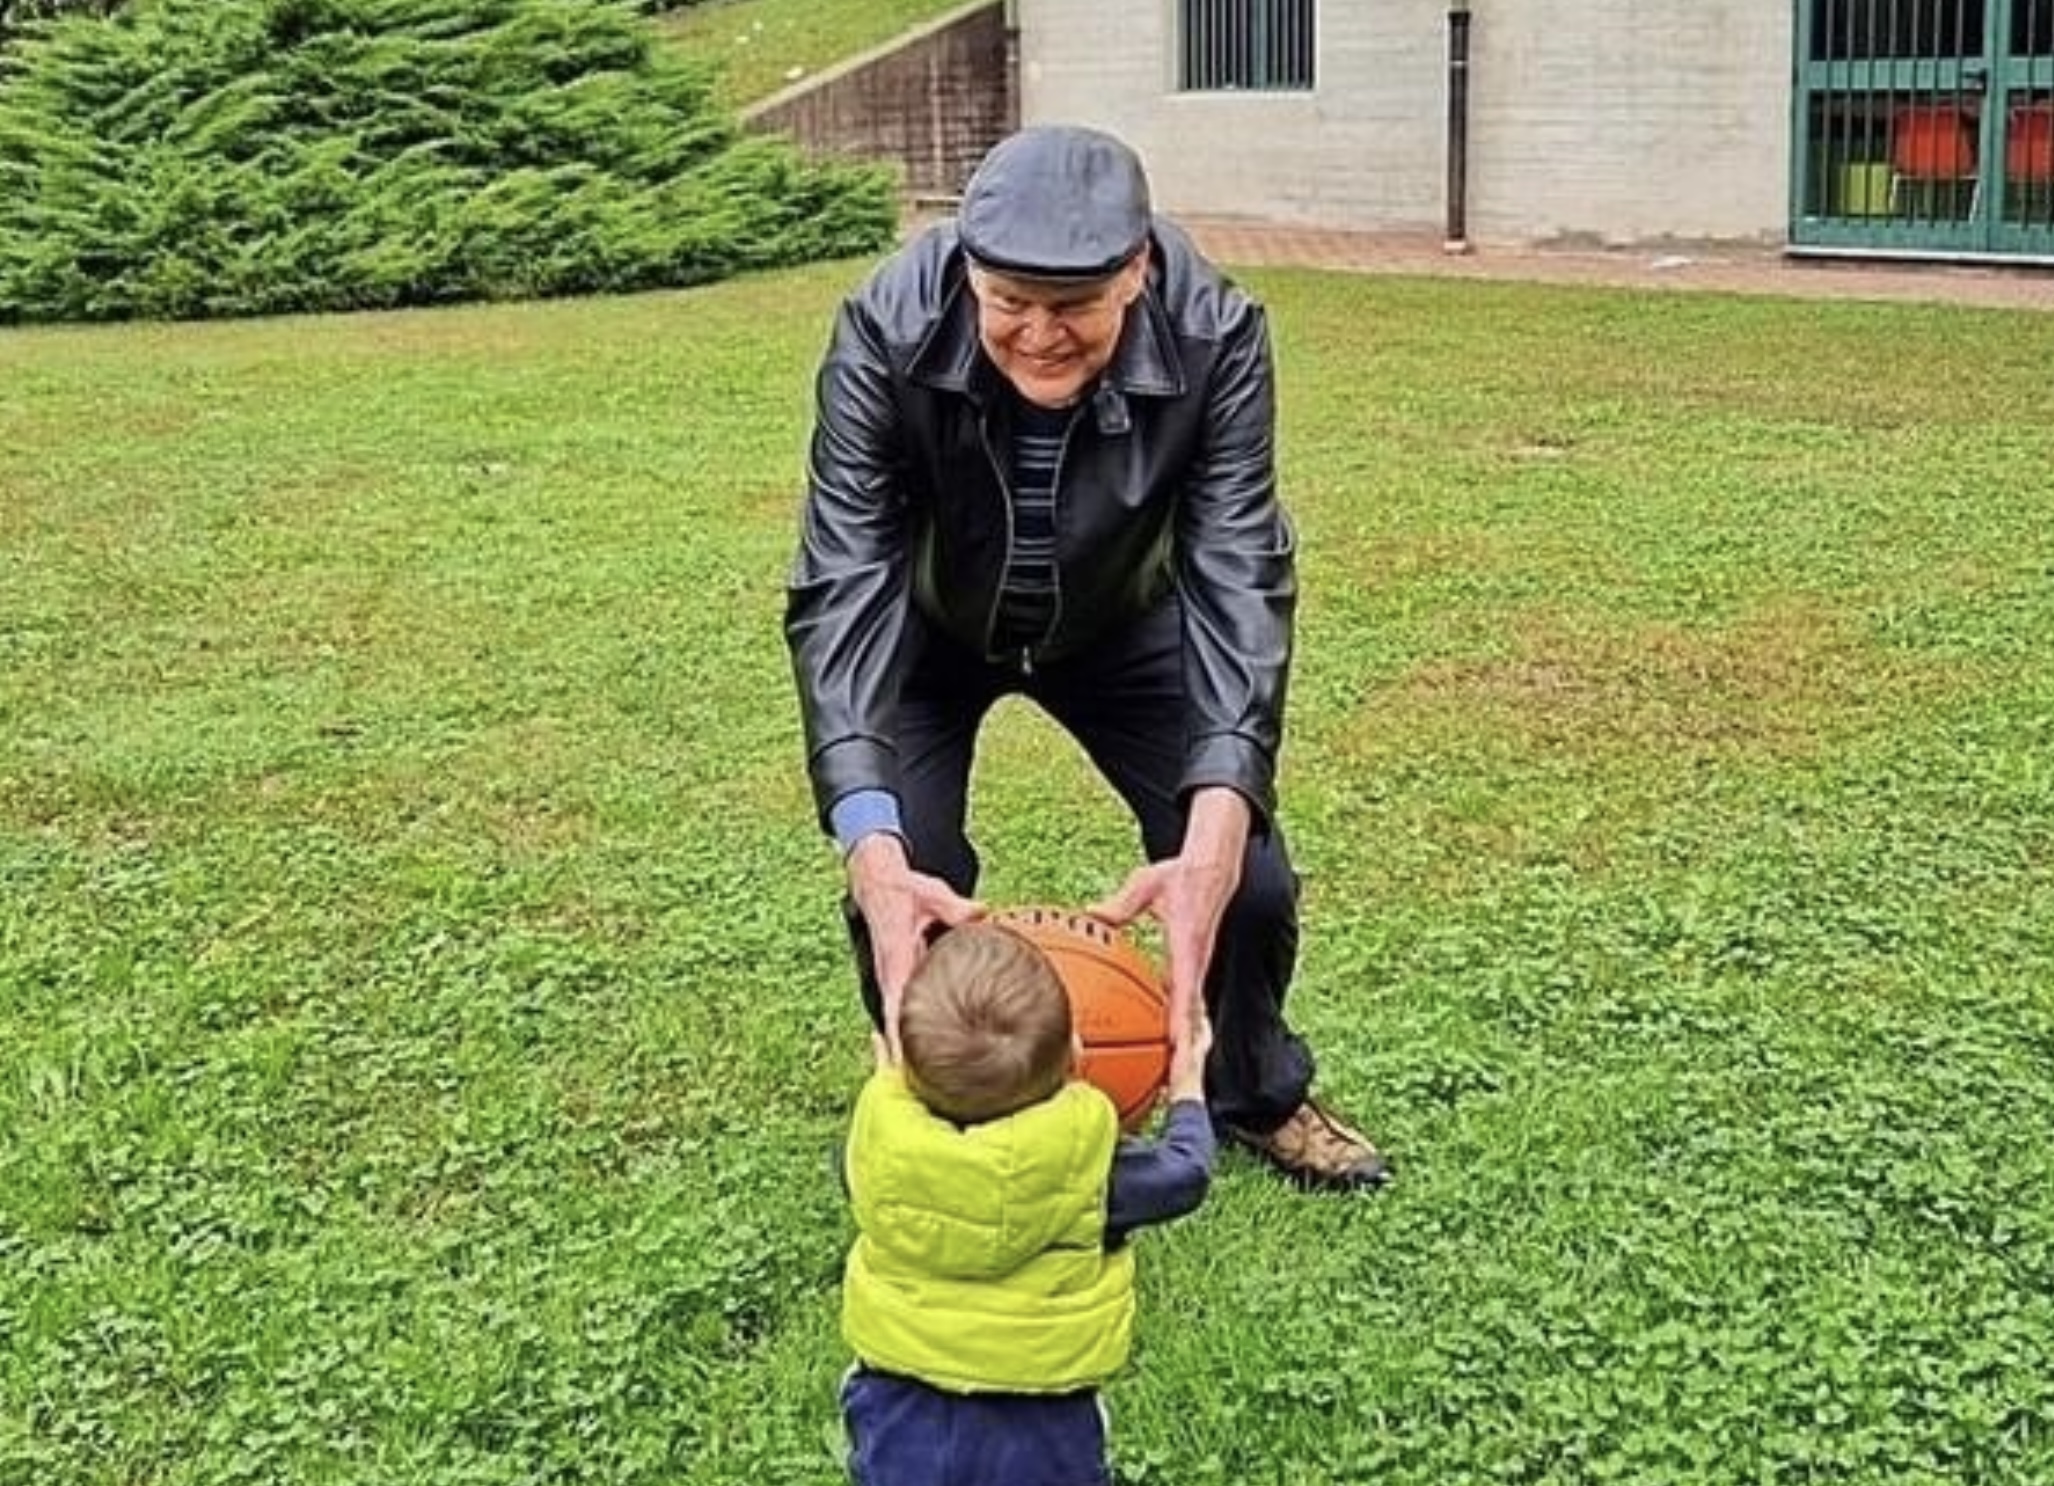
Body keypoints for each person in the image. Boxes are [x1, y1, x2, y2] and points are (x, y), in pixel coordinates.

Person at [785, 121, 1388, 1191]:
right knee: (903, 864)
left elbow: (1240, 567)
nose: (1035, 335)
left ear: (1137, 271)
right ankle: (932, 1100)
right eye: (1006, 303)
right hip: (930, 630)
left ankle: (1249, 1089)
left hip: (1120, 622)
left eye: (1070, 308)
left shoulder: (1216, 334)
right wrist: (868, 844)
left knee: (1241, 879)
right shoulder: (885, 323)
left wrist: (1215, 813)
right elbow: (842, 577)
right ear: (965, 270)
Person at [838, 920, 1215, 1485]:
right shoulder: (1089, 1174)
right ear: (1077, 1056)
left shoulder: (876, 1152)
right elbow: (1185, 1173)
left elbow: (859, 1156)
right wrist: (1187, 1085)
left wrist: (891, 1082)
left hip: (897, 1408)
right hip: (1041, 1423)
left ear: (900, 1061)